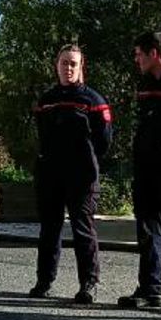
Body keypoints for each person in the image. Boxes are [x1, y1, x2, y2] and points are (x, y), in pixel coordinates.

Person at [29, 45, 112, 303]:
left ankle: (88, 284)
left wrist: (87, 161)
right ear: (56, 65)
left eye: (73, 64)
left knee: (83, 230)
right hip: (51, 174)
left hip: (82, 176)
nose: (68, 68)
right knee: (49, 230)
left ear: (81, 67)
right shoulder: (46, 100)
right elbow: (40, 135)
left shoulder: (94, 101)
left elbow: (104, 141)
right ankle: (44, 281)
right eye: (64, 63)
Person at [120, 31, 161, 314]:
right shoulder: (145, 84)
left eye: (139, 54)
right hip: (145, 169)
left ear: (154, 54)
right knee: (147, 229)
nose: (136, 59)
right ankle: (150, 289)